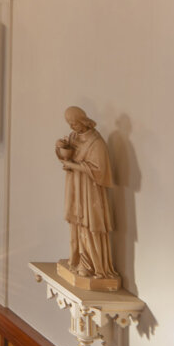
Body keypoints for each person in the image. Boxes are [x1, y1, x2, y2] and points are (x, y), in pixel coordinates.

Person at [55, 106, 119, 286]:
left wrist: (73, 165)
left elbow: (100, 171)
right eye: (69, 124)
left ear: (83, 120)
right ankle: (77, 259)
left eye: (74, 123)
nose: (72, 127)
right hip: (75, 187)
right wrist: (59, 147)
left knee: (88, 225)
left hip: (89, 191)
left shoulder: (96, 143)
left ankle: (92, 265)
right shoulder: (74, 137)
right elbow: (65, 152)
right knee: (75, 224)